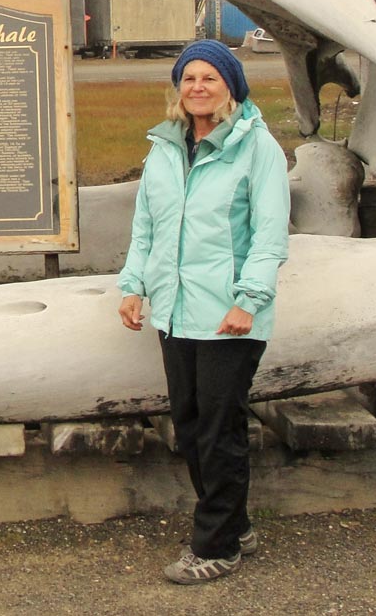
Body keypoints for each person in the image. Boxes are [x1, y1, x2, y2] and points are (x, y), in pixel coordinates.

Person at [117, 39, 290, 585]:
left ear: (231, 87)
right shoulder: (164, 148)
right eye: (188, 78)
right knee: (191, 428)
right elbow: (147, 226)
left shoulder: (257, 149)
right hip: (174, 312)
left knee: (218, 430)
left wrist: (250, 300)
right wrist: (133, 286)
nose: (197, 87)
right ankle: (235, 525)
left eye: (209, 78)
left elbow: (269, 233)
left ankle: (216, 546)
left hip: (229, 318)